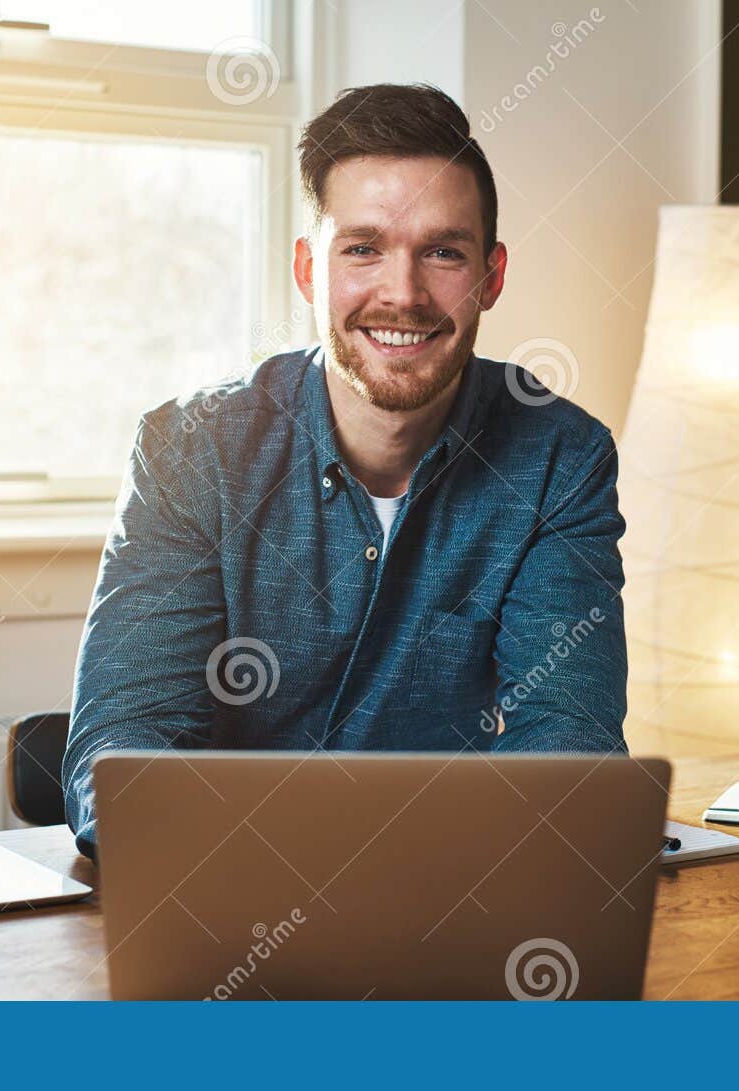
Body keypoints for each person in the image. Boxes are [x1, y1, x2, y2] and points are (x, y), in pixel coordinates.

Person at [62, 83, 627, 858]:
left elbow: (571, 750)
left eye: (443, 251)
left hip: (455, 913)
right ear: (308, 270)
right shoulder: (190, 449)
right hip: (221, 909)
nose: (403, 294)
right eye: (362, 249)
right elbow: (124, 747)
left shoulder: (561, 457)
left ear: (491, 275)